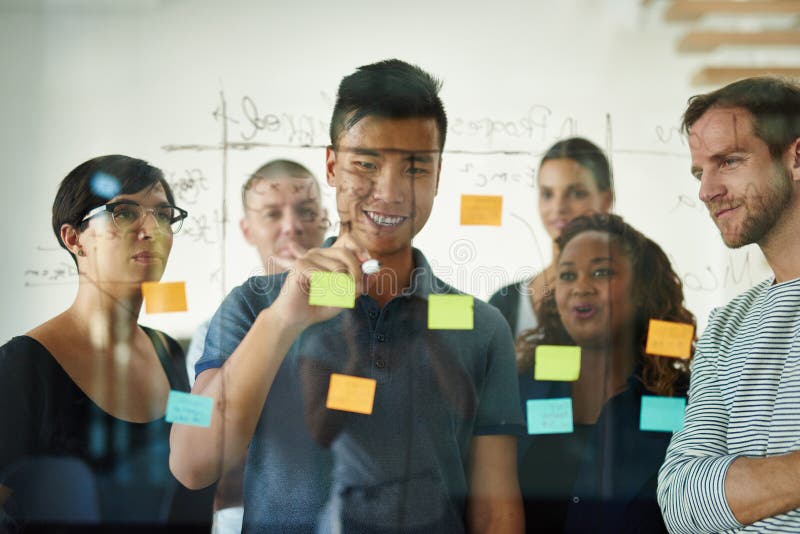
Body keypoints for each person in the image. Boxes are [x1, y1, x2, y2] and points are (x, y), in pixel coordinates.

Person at [170, 59, 524, 533]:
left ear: (438, 175)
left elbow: (496, 505)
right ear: (333, 166)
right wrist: (282, 320)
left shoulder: (482, 327)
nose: (390, 191)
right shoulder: (253, 304)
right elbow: (191, 463)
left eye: (415, 168)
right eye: (366, 164)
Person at [0, 155, 213, 530]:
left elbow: (198, 462)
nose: (152, 229)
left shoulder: (169, 353)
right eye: (124, 213)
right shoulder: (21, 368)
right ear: (73, 238)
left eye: (164, 215)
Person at [658, 77, 800, 533]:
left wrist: (736, 487)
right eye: (701, 172)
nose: (707, 191)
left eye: (730, 162)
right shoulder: (727, 326)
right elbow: (680, 500)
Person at [516, 213, 693, 532]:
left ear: (641, 291)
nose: (580, 287)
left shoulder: (685, 402)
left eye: (601, 272)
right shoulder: (521, 388)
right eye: (567, 276)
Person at [185, 159, 327, 533]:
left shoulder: (360, 318)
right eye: (272, 214)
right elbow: (193, 439)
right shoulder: (211, 333)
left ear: (327, 220)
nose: (292, 226)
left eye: (307, 211)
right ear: (247, 229)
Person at [489, 137, 613, 338]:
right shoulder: (506, 301)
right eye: (547, 194)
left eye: (577, 194)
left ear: (606, 199)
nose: (558, 208)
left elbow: (666, 364)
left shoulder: (640, 294)